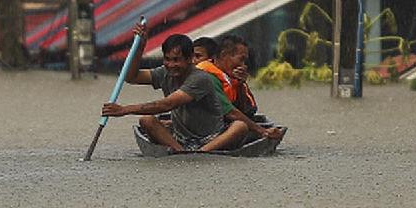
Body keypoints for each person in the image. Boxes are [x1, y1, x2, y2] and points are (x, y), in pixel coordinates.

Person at [101, 23, 282, 153]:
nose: (171, 65)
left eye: (177, 60)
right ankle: (180, 152)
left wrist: (124, 110)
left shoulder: (200, 78)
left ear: (189, 60)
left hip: (211, 137)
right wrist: (140, 47)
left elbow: (166, 105)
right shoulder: (165, 72)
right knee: (146, 120)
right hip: (181, 138)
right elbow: (131, 77)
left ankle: (202, 153)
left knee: (240, 127)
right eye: (168, 59)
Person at [215, 34, 259, 116]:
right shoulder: (206, 77)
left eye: (245, 61)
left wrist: (240, 85)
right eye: (241, 59)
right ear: (223, 55)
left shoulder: (235, 80)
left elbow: (249, 111)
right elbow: (231, 113)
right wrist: (260, 129)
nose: (243, 65)